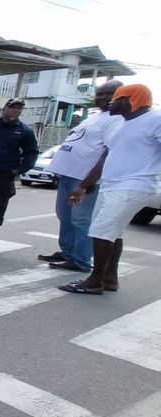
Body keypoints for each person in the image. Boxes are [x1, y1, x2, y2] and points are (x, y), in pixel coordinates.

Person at [59, 84, 160, 294]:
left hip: (134, 185)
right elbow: (105, 157)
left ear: (130, 100)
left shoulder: (155, 120)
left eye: (115, 98)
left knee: (101, 231)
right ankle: (109, 278)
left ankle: (95, 282)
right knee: (113, 232)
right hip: (110, 185)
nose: (110, 102)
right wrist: (84, 186)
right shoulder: (119, 125)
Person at [40, 80, 123, 272]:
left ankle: (80, 259)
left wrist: (87, 183)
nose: (101, 97)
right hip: (69, 175)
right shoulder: (94, 116)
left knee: (81, 219)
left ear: (120, 95)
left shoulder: (117, 120)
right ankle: (68, 252)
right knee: (65, 216)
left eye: (108, 93)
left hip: (84, 179)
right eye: (99, 93)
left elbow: (108, 153)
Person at [0, 98, 39, 247]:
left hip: (4, 176)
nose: (16, 110)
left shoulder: (24, 131)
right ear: (4, 108)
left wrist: (19, 170)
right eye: (12, 107)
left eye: (19, 108)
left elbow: (32, 153)